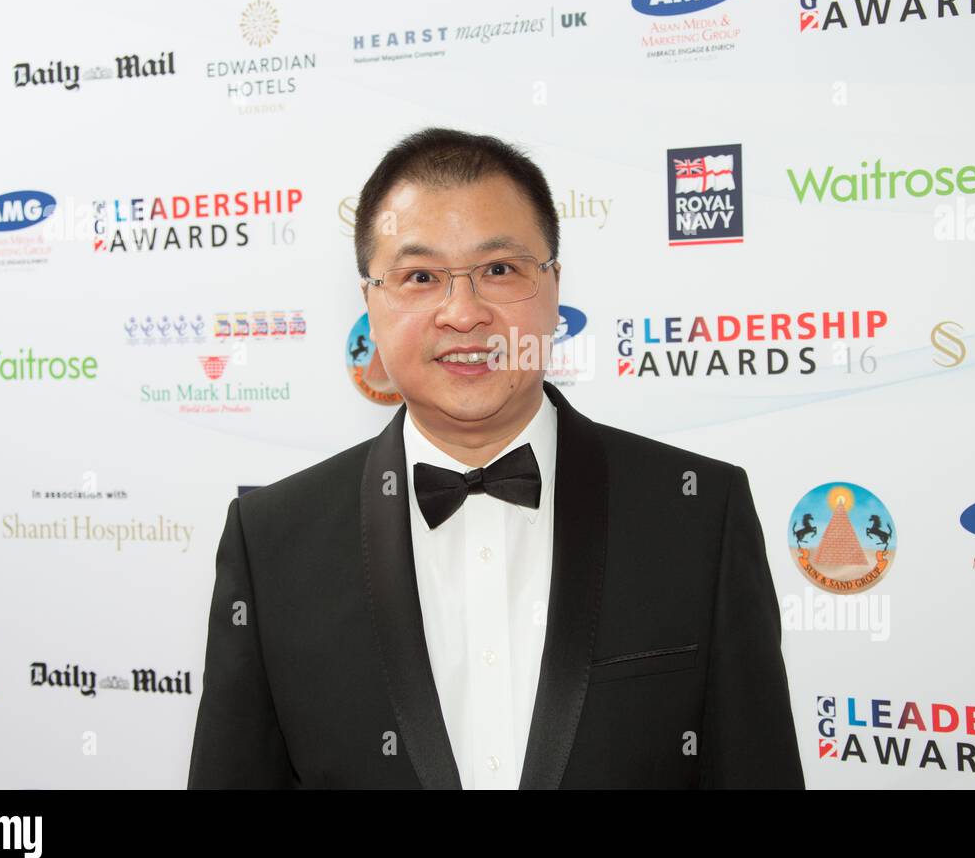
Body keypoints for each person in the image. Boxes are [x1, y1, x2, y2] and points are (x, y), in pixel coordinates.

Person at [187, 127, 803, 789]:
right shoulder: (272, 540)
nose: (463, 312)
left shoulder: (697, 514)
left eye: (499, 270)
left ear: (554, 287)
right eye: (420, 276)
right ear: (369, 300)